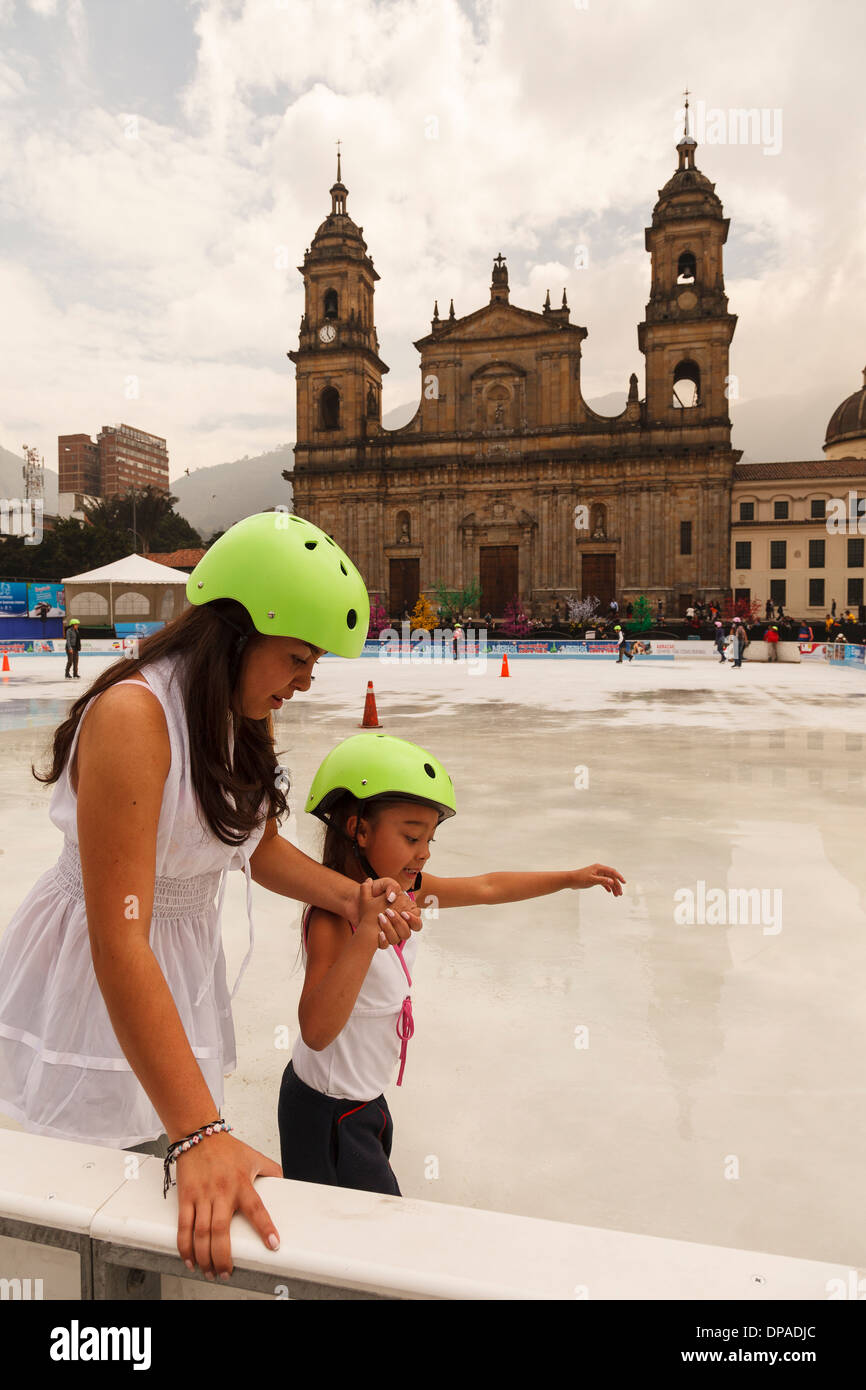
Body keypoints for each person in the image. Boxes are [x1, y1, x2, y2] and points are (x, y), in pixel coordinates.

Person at [0, 512, 423, 1282]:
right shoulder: (136, 716)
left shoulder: (233, 713)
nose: (303, 682)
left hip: (171, 977)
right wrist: (201, 1133)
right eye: (296, 658)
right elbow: (119, 934)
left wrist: (354, 896)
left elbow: (248, 846)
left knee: (154, 1180)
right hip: (99, 981)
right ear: (234, 632)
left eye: (315, 664)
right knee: (110, 1188)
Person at [278, 734, 625, 1194]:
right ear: (359, 830)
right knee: (361, 1240)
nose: (424, 852)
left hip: (366, 1102)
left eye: (429, 839)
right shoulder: (331, 920)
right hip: (326, 1113)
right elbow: (317, 1031)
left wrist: (567, 879)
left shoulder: (411, 891)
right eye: (410, 836)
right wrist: (366, 930)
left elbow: (485, 888)